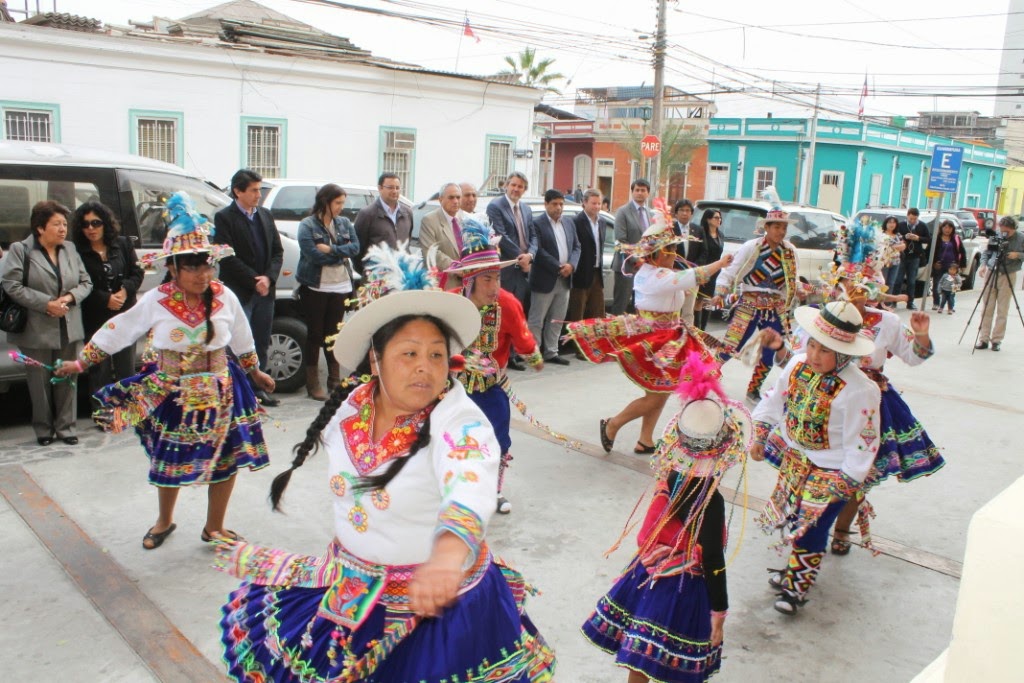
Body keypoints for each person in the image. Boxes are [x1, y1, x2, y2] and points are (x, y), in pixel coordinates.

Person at [214, 246, 556, 682]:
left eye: (436, 354)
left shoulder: (459, 419)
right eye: (409, 353)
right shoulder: (350, 408)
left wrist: (447, 557)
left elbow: (470, 481)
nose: (425, 368)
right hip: (353, 592)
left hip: (443, 608)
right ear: (375, 360)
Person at [54, 192, 275, 549]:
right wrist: (81, 362)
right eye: (193, 267)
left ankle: (214, 527)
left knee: (226, 460)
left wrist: (255, 371)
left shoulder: (224, 296)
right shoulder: (157, 300)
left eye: (207, 266)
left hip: (222, 389)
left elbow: (241, 335)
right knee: (168, 458)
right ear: (172, 268)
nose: (203, 274)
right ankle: (164, 521)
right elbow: (120, 329)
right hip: (172, 390)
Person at [582, 353, 751, 683]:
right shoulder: (709, 501)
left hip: (649, 573)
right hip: (683, 589)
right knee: (672, 660)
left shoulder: (672, 476)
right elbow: (713, 559)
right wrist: (719, 610)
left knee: (641, 658)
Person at [765, 246, 940, 556]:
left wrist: (922, 336)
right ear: (838, 285)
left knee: (858, 470)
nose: (855, 292)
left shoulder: (886, 321)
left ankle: (841, 529)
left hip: (868, 403)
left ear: (874, 289)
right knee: (807, 463)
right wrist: (779, 348)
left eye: (863, 287)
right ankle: (804, 523)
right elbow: (797, 361)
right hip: (819, 401)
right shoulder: (823, 317)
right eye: (849, 284)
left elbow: (914, 357)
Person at [751, 301, 880, 615]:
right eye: (812, 345)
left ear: (844, 354)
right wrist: (760, 434)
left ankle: (796, 587)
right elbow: (773, 400)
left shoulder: (860, 389)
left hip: (833, 469)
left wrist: (845, 482)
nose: (814, 355)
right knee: (796, 518)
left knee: (813, 526)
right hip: (796, 460)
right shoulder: (797, 365)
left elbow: (863, 442)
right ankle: (795, 570)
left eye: (825, 351)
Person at [567, 217, 732, 455]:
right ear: (659, 253)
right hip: (656, 339)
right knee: (656, 396)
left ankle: (645, 439)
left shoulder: (655, 272)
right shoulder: (656, 276)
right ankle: (613, 424)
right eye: (671, 249)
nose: (675, 253)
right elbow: (694, 276)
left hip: (670, 335)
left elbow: (680, 284)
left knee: (660, 391)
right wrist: (721, 263)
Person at [446, 220, 543, 514]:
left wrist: (533, 356)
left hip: (490, 387)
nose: (494, 286)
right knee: (450, 439)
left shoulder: (507, 304)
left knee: (498, 438)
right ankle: (453, 488)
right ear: (469, 279)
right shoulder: (449, 304)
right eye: (487, 279)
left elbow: (523, 338)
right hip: (452, 389)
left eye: (497, 278)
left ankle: (493, 490)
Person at [1, 200, 92, 445]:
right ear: (40, 228)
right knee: (39, 380)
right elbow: (11, 285)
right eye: (56, 224)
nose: (63, 229)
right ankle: (43, 429)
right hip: (35, 326)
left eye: (64, 224)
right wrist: (46, 303)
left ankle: (66, 428)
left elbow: (86, 282)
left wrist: (69, 297)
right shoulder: (21, 249)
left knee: (67, 376)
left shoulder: (70, 249)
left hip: (68, 323)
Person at [711, 187, 803, 403]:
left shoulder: (789, 251)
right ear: (766, 227)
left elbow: (793, 278)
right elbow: (731, 271)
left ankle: (754, 388)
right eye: (777, 227)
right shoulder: (751, 247)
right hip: (749, 303)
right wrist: (720, 292)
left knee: (770, 349)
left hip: (774, 307)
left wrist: (799, 289)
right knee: (731, 344)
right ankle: (707, 379)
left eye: (784, 228)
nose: (781, 231)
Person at [214, 168, 284, 407]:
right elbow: (226, 256)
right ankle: (237, 391)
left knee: (261, 340)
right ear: (238, 191)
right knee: (238, 343)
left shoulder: (265, 215)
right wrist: (255, 280)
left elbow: (277, 252)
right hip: (241, 291)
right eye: (253, 190)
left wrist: (269, 279)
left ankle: (257, 388)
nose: (258, 195)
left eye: (259, 190)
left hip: (265, 292)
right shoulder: (225, 217)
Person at [70, 201, 144, 395]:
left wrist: (125, 290)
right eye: (85, 224)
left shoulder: (123, 244)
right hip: (95, 318)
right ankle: (102, 409)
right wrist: (105, 299)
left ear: (105, 223)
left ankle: (127, 407)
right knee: (99, 371)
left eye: (96, 223)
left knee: (126, 370)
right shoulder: (76, 251)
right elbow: (77, 284)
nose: (91, 228)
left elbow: (137, 272)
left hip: (124, 316)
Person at [296, 183, 360, 400]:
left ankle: (334, 379)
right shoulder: (307, 225)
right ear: (325, 202)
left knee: (333, 334)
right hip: (316, 285)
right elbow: (313, 255)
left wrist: (332, 249)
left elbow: (355, 248)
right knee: (315, 334)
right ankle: (312, 383)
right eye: (338, 203)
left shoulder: (344, 223)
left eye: (343, 202)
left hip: (341, 285)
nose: (341, 207)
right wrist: (341, 254)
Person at [528, 189, 580, 366]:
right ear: (546, 204)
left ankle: (552, 351)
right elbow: (539, 250)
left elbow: (577, 247)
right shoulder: (537, 224)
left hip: (565, 279)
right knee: (537, 319)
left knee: (557, 318)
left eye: (561, 204)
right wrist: (559, 267)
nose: (558, 208)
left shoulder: (569, 223)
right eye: (554, 204)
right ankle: (534, 354)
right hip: (545, 278)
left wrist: (571, 265)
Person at [485, 171, 536, 317]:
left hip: (524, 271)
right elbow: (500, 236)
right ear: (506, 186)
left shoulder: (526, 209)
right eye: (513, 185)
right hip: (506, 271)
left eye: (520, 186)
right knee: (503, 316)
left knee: (518, 315)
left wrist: (530, 256)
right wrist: (521, 257)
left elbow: (533, 236)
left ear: (524, 190)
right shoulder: (495, 206)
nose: (516, 189)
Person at [976, 215, 1024, 351]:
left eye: (1007, 231)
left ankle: (996, 340)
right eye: (1002, 230)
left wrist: (1018, 255)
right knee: (987, 307)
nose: (1004, 233)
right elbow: (987, 252)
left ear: (1014, 228)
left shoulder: (1021, 238)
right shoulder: (996, 235)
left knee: (1003, 309)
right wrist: (983, 265)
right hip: (992, 271)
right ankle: (983, 339)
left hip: (1008, 273)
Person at [354, 172, 414, 270]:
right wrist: (367, 271)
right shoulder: (367, 214)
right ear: (380, 188)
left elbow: (407, 241)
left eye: (397, 188)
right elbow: (358, 249)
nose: (395, 191)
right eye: (390, 187)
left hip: (402, 273)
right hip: (377, 273)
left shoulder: (407, 213)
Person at [610, 179, 652, 315]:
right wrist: (636, 259)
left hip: (645, 268)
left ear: (648, 193)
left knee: (640, 306)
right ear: (632, 192)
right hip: (626, 267)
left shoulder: (649, 213)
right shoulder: (623, 212)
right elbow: (621, 241)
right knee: (621, 306)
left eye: (643, 190)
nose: (640, 193)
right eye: (637, 190)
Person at [568, 189, 608, 323]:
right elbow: (573, 248)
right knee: (577, 315)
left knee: (598, 315)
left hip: (597, 275)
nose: (597, 207)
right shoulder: (576, 222)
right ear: (584, 203)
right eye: (593, 203)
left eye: (599, 203)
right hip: (580, 275)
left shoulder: (602, 222)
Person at [419, 182, 466, 289]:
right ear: (440, 200)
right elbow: (431, 251)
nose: (455, 201)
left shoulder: (466, 219)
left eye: (458, 197)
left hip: (466, 283)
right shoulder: (429, 220)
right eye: (451, 197)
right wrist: (456, 267)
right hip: (443, 283)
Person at [672, 199, 703, 326]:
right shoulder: (670, 229)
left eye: (687, 210)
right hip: (674, 274)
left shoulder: (698, 230)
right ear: (676, 213)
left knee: (688, 310)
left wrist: (694, 268)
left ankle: (688, 334)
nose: (684, 213)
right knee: (673, 308)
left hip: (692, 274)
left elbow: (704, 252)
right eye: (681, 210)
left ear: (691, 213)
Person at [693, 208, 724, 331]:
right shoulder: (702, 233)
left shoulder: (720, 235)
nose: (719, 220)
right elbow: (700, 253)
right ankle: (696, 329)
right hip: (704, 270)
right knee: (698, 301)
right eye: (716, 217)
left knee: (707, 302)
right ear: (708, 219)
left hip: (715, 272)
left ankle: (703, 330)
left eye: (720, 218)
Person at [896, 207, 930, 308]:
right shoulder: (901, 225)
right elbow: (896, 237)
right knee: (898, 280)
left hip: (915, 256)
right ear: (907, 216)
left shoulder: (922, 225)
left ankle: (910, 302)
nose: (912, 221)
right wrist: (904, 237)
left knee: (911, 281)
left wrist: (918, 238)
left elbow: (928, 239)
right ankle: (894, 301)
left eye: (915, 219)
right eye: (911, 218)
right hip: (902, 256)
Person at [930, 219, 966, 312]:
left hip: (952, 267)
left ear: (952, 229)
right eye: (945, 227)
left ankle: (951, 305)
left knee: (952, 286)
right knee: (937, 284)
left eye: (950, 228)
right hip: (939, 266)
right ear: (941, 228)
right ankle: (936, 303)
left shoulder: (956, 238)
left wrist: (962, 265)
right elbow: (930, 252)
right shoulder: (936, 238)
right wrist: (934, 263)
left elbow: (962, 251)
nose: (947, 230)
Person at [878, 215, 905, 303]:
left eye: (894, 222)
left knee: (891, 283)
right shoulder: (882, 234)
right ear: (886, 223)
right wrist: (895, 246)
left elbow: (903, 246)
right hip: (884, 262)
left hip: (895, 262)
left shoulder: (898, 235)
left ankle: (887, 302)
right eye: (890, 222)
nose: (892, 224)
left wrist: (895, 246)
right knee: (882, 282)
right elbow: (885, 246)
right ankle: (879, 302)